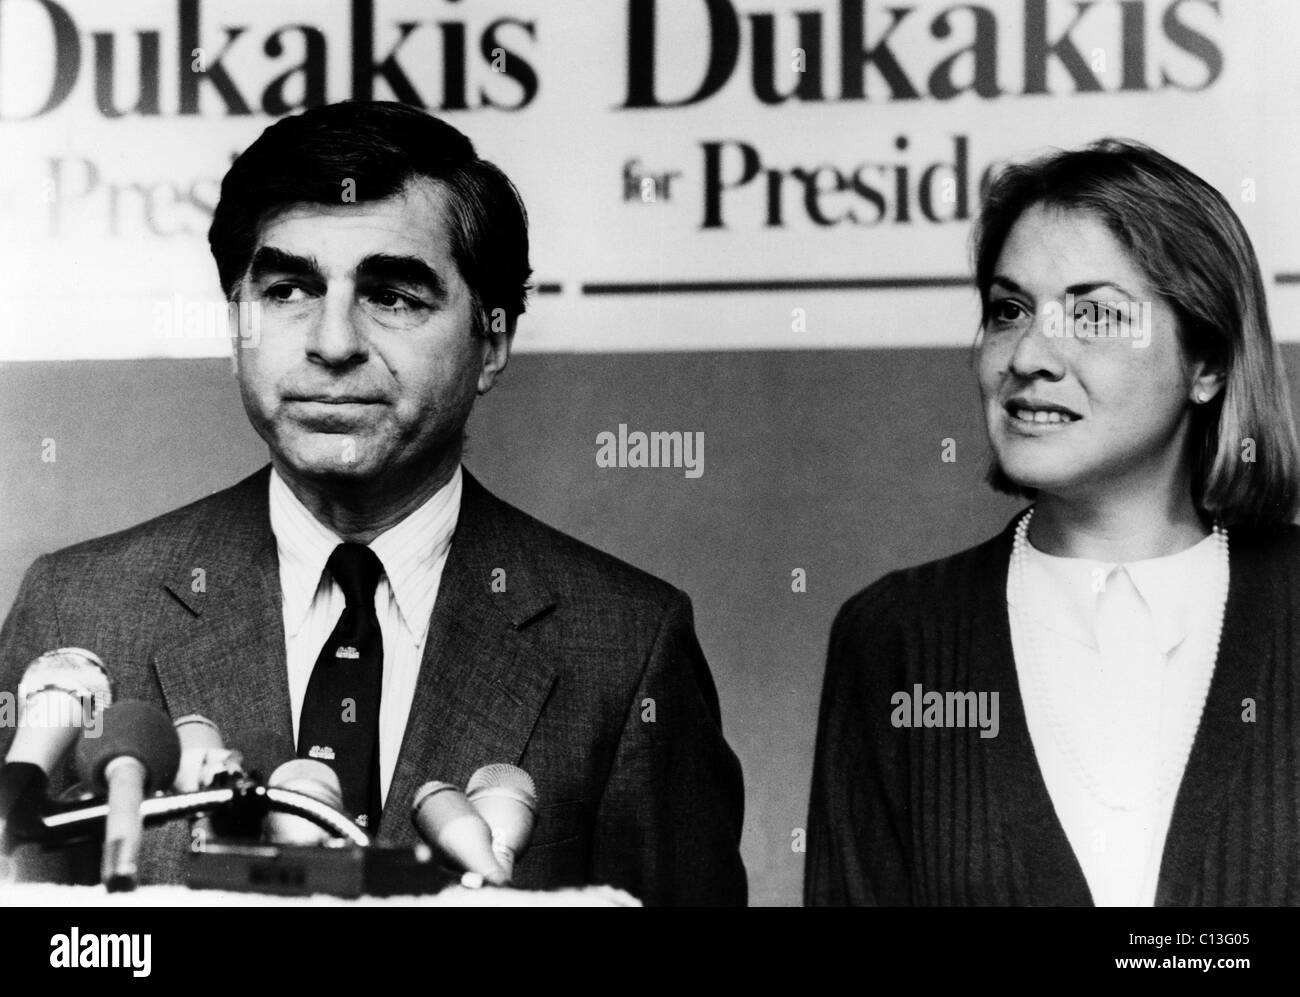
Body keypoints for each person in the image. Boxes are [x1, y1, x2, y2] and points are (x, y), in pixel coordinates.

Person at [0, 100, 746, 906]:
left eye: (392, 296)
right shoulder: (79, 611)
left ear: (492, 341)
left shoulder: (628, 645)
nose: (333, 342)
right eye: (288, 289)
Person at [805, 138, 1300, 906]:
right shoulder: (896, 637)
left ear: (1207, 363)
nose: (1030, 354)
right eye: (1009, 311)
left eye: (1094, 314)